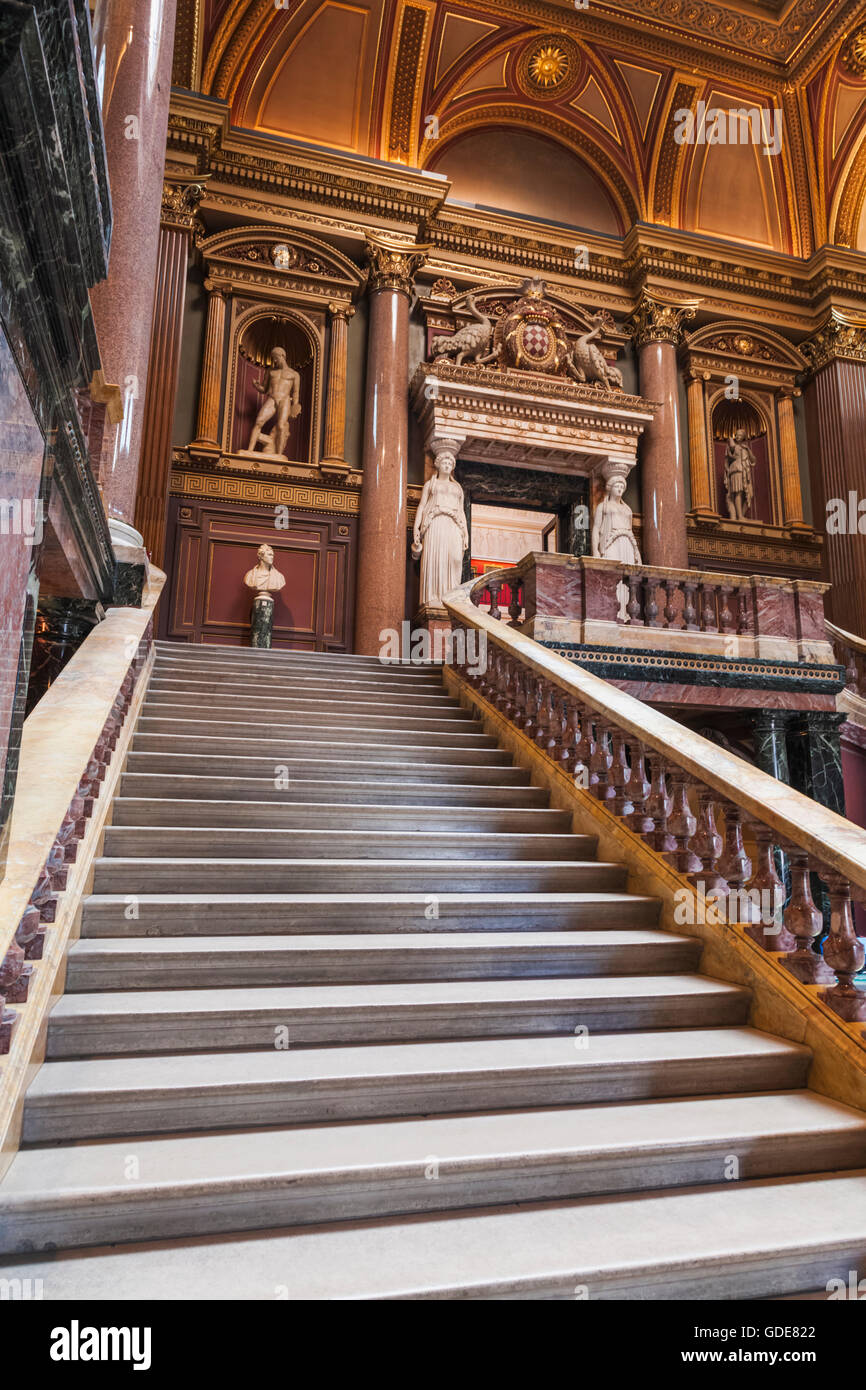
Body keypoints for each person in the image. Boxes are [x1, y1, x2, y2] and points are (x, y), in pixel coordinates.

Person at [412, 445, 469, 608]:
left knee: (455, 559)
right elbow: (422, 506)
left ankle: (449, 597)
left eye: (450, 464)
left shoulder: (457, 487)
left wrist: (465, 533)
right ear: (438, 464)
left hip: (453, 525)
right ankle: (434, 596)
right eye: (444, 463)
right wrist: (416, 528)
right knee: (436, 559)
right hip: (435, 523)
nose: (447, 466)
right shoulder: (431, 485)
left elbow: (462, 511)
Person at [246, 347, 300, 457]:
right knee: (258, 421)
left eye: (276, 358)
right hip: (272, 398)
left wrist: (295, 406)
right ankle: (249, 451)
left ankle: (279, 456)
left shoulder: (294, 374)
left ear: (283, 356)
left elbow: (295, 393)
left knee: (281, 426)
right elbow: (264, 389)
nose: (274, 361)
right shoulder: (270, 371)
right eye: (273, 359)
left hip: (285, 400)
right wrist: (257, 386)